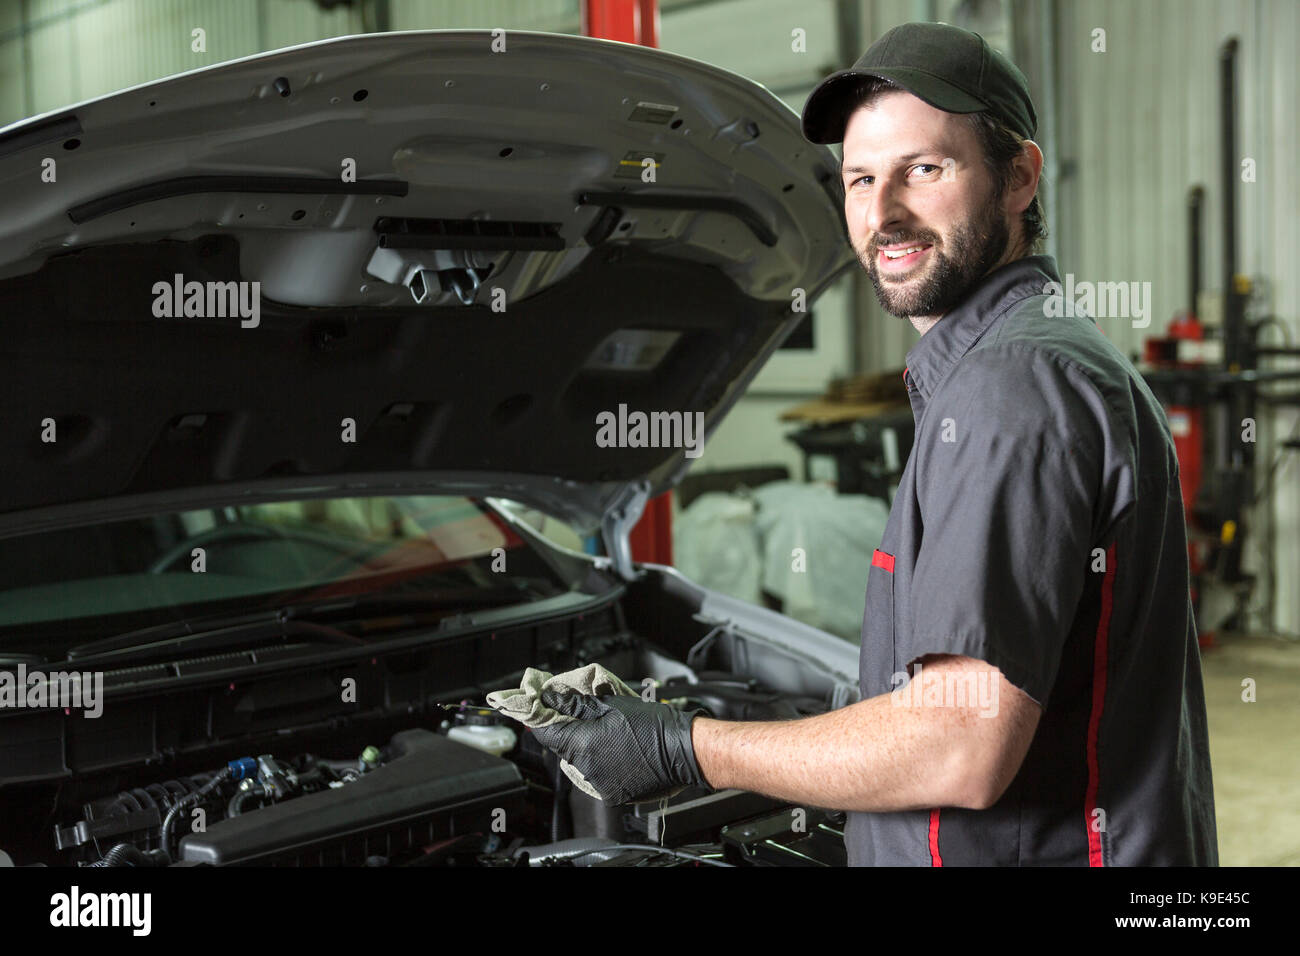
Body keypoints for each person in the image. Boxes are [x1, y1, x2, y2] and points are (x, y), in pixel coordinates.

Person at [529, 21, 1218, 866]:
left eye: (924, 169)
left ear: (1019, 177)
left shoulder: (1011, 388)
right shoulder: (1037, 357)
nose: (883, 213)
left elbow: (957, 745)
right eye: (860, 178)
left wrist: (684, 747)